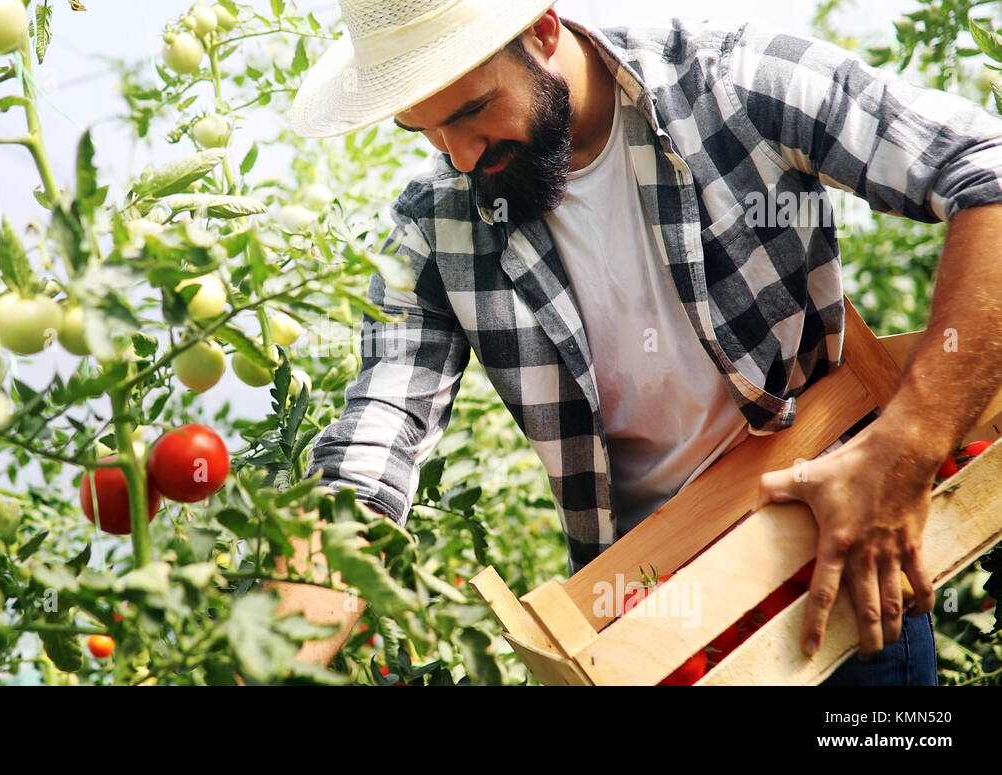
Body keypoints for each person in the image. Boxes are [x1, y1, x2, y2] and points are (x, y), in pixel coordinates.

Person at [277, 0, 1002, 685]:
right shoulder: (435, 229)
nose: (461, 158)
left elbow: (987, 170)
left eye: (473, 112)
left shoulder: (733, 86)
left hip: (839, 565)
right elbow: (372, 451)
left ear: (543, 28)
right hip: (649, 629)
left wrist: (907, 446)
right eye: (426, 131)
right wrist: (271, 659)